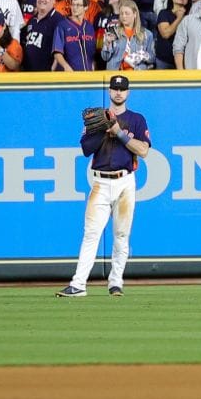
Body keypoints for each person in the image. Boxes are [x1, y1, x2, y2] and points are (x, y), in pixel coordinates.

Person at [58, 74, 150, 298]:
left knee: (121, 235)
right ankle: (78, 284)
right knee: (91, 234)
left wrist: (119, 133)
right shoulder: (96, 117)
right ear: (109, 91)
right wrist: (103, 130)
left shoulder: (136, 119)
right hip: (100, 181)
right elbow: (85, 149)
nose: (118, 92)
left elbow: (144, 150)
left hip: (125, 181)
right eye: (115, 89)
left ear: (128, 92)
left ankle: (116, 283)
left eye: (122, 89)